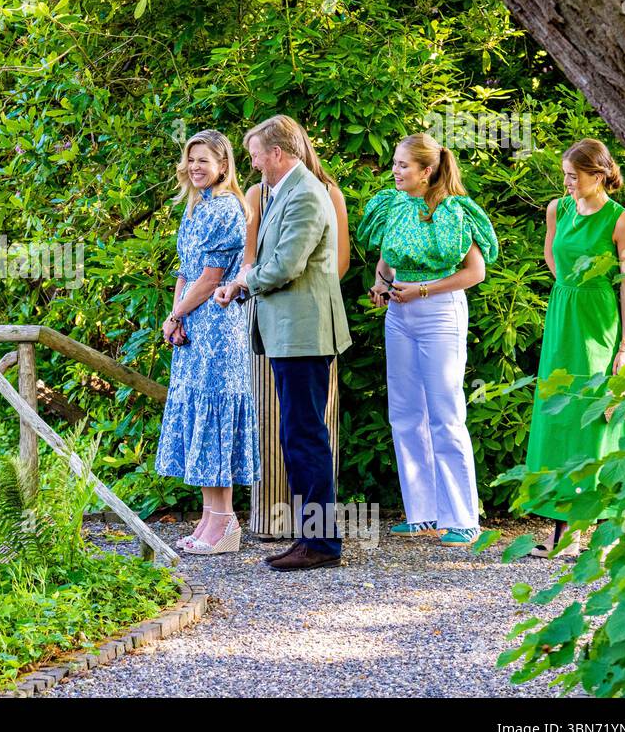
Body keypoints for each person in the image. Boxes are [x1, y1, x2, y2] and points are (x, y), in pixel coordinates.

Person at [216, 114, 351, 571]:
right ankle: (310, 538)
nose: (253, 166)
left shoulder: (307, 194)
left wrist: (240, 284)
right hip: (289, 334)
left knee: (305, 436)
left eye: (255, 156)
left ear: (277, 153)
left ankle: (322, 544)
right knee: (297, 435)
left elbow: (285, 265)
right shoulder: (283, 192)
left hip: (305, 334)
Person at [357, 132, 498, 547]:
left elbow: (475, 272)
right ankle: (422, 512)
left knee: (445, 412)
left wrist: (423, 289)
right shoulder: (394, 205)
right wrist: (382, 284)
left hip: (439, 313)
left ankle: (463, 517)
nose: (395, 171)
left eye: (403, 165)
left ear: (427, 170)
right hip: (398, 313)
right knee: (404, 411)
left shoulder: (453, 211)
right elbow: (387, 257)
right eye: (395, 163)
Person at [525, 138, 625, 558]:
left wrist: (624, 347)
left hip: (597, 319)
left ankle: (597, 534)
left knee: (593, 418)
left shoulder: (620, 221)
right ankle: (562, 531)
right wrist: (568, 285)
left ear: (599, 174)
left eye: (574, 175)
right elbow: (551, 253)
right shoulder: (559, 208)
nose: (567, 182)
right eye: (565, 175)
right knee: (559, 415)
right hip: (562, 316)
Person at [155, 129, 259, 554]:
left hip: (219, 328)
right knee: (199, 412)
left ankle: (225, 523)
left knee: (214, 416)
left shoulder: (229, 209)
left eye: (205, 160)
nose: (196, 167)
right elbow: (185, 269)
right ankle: (209, 519)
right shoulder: (197, 207)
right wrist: (175, 315)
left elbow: (212, 277)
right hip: (193, 325)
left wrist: (178, 312)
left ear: (223, 165)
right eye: (191, 159)